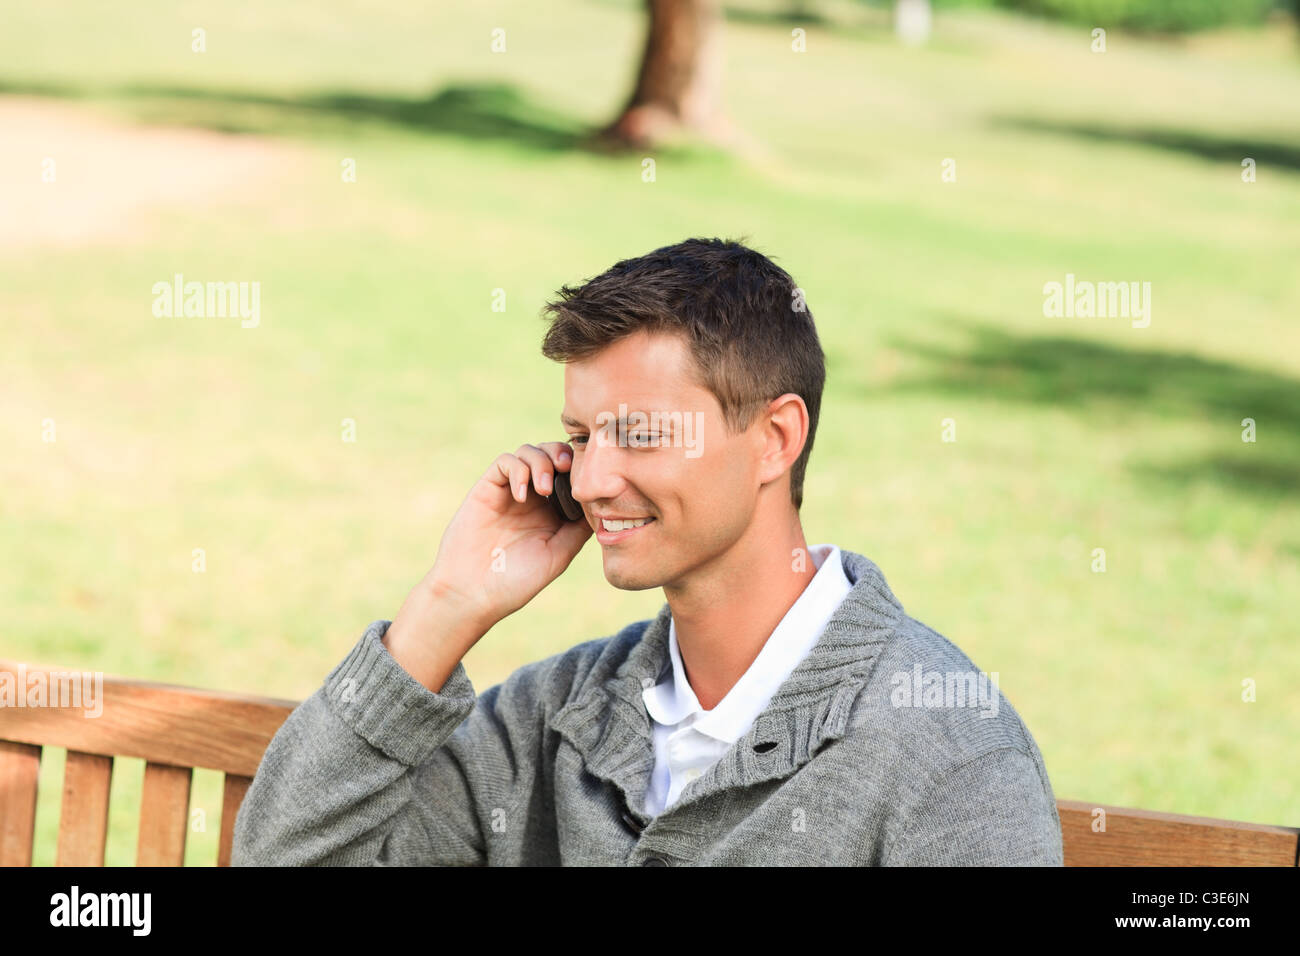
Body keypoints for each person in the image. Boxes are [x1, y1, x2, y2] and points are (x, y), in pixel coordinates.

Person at [232, 237, 1064, 866]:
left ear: (774, 438)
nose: (591, 481)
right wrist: (448, 602)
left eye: (638, 435)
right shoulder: (559, 715)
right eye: (582, 437)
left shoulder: (952, 753)